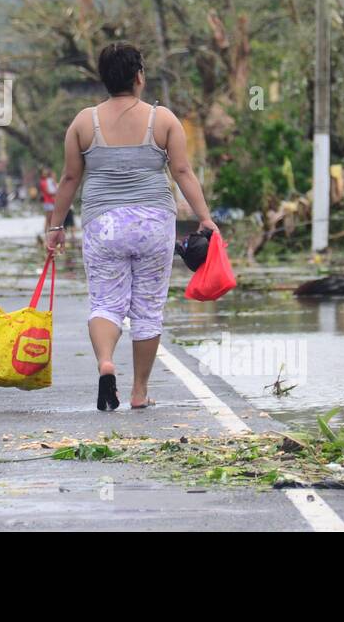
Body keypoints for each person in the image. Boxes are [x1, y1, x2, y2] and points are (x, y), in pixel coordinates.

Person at [45, 41, 217, 411]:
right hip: (154, 223)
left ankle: (106, 362)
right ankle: (139, 392)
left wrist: (55, 227)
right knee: (147, 309)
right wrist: (204, 217)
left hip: (103, 224)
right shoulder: (164, 120)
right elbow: (183, 171)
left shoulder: (83, 122)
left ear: (103, 80)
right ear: (139, 76)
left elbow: (69, 179)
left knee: (106, 303)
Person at [38, 167, 57, 240]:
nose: (45, 174)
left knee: (50, 219)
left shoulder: (49, 181)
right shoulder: (43, 182)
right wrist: (56, 193)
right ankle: (46, 234)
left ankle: (49, 234)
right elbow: (48, 191)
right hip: (47, 202)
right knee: (48, 218)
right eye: (44, 173)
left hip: (51, 202)